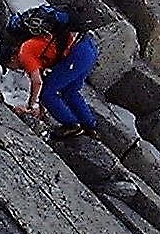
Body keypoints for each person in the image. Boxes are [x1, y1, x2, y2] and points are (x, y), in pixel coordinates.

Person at [9, 10, 100, 140]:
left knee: (47, 92)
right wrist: (40, 108)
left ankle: (72, 125)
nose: (13, 69)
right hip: (87, 46)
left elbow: (39, 83)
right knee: (70, 91)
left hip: (77, 54)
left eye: (9, 67)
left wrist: (30, 106)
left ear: (12, 58)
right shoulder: (40, 37)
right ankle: (90, 126)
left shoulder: (26, 51)